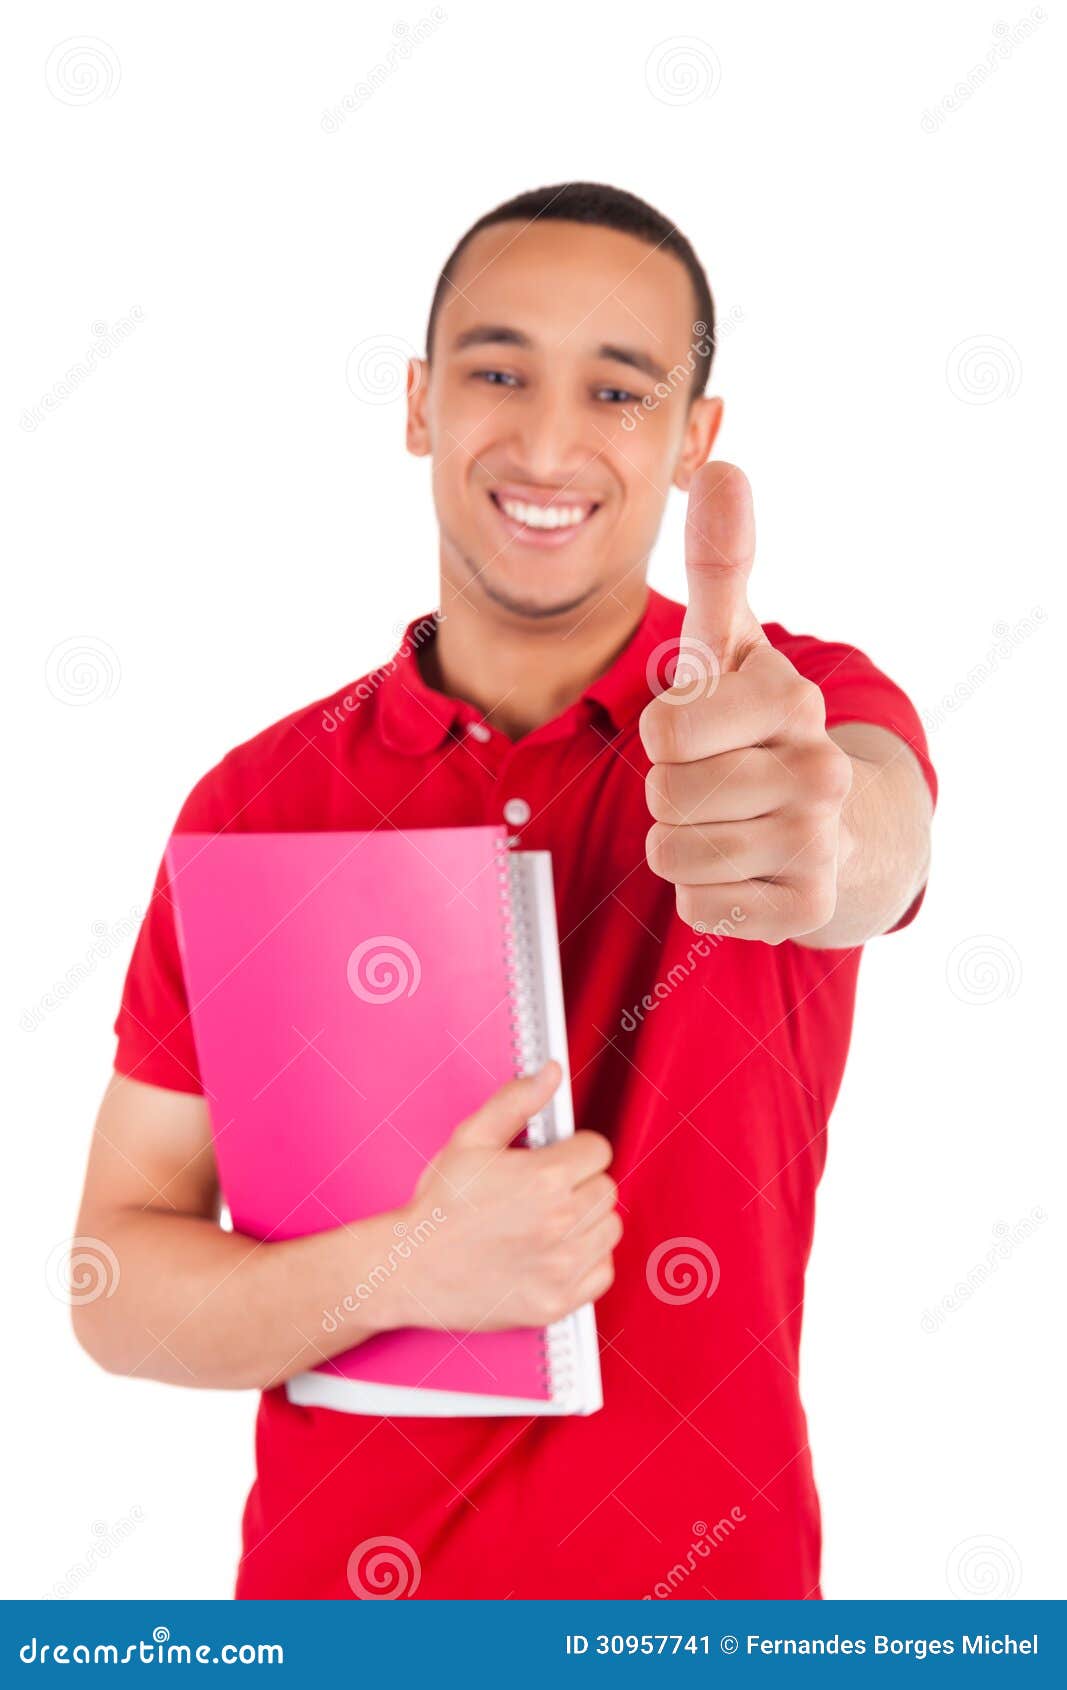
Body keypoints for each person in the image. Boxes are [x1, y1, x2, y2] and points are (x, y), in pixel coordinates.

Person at [72, 182, 935, 1600]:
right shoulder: (255, 803)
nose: (545, 439)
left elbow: (867, 832)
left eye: (616, 388)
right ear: (418, 402)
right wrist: (401, 1269)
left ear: (689, 441)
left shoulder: (792, 716)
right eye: (496, 371)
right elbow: (118, 1286)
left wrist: (820, 838)